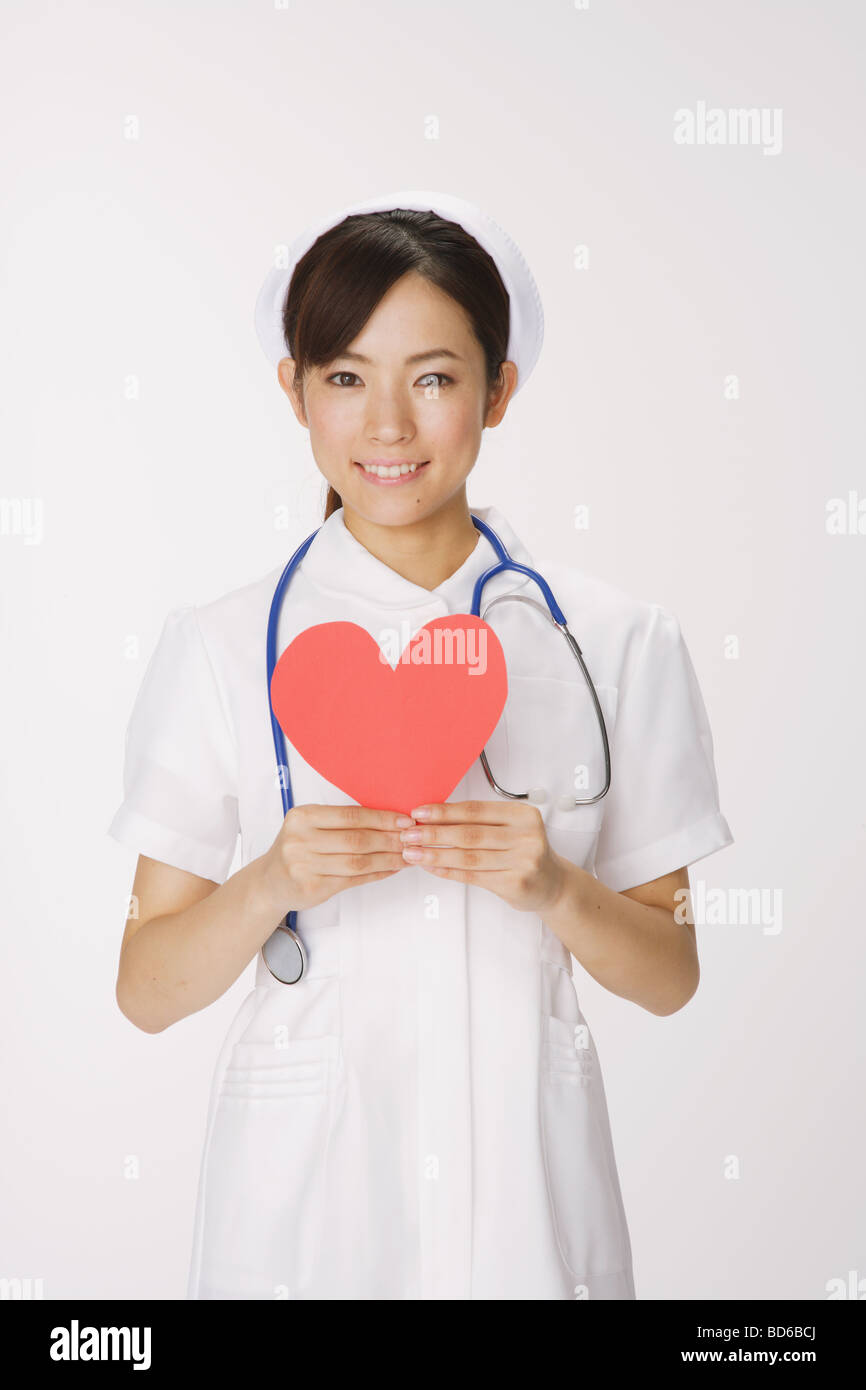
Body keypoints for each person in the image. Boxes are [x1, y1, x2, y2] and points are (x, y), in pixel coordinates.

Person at [108, 191, 733, 1300]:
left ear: (497, 391)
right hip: (302, 1210)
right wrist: (269, 882)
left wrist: (552, 886)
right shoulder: (216, 646)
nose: (387, 426)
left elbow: (671, 970)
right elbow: (147, 987)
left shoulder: (615, 641)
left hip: (528, 1206)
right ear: (294, 388)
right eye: (345, 377)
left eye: (433, 378)